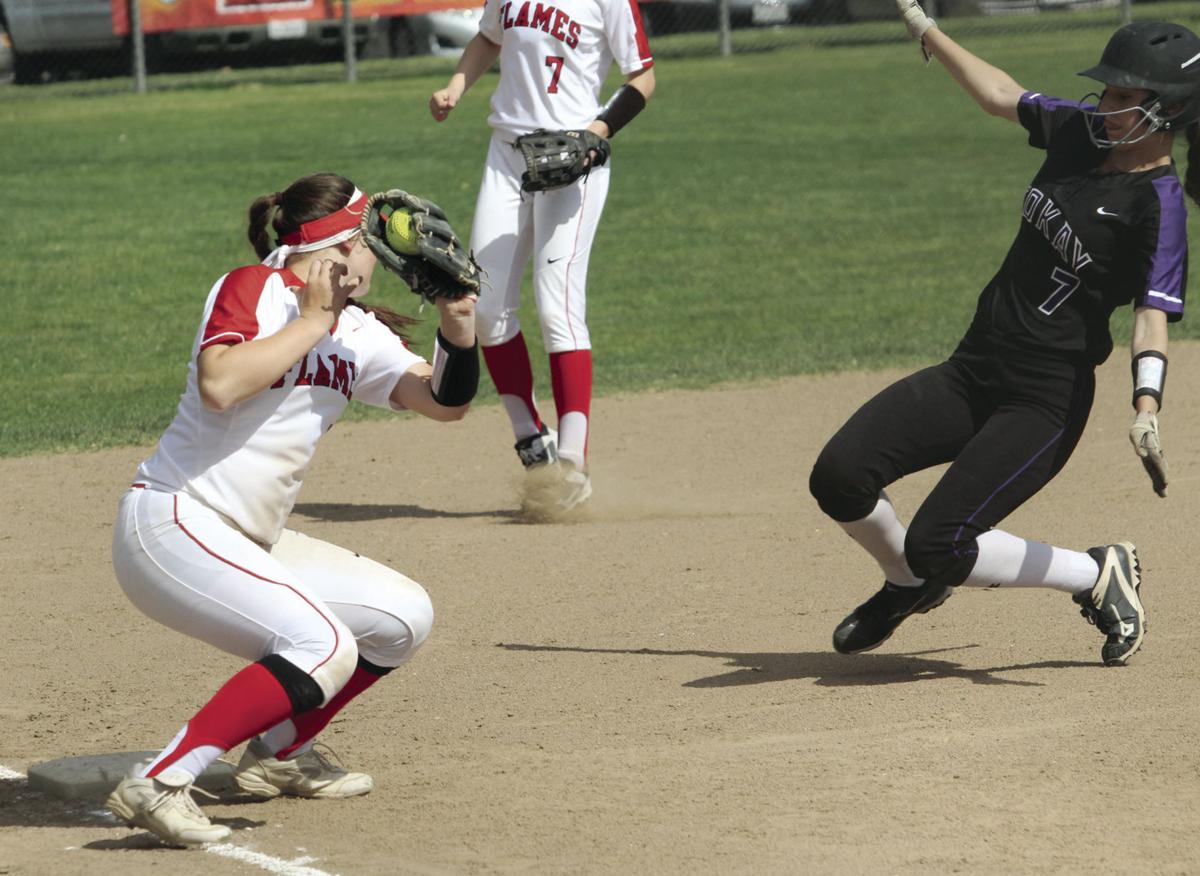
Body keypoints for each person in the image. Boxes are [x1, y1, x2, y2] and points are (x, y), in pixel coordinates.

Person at [809, 14, 1200, 666]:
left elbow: (1151, 314)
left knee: (939, 540)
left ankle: (1098, 573)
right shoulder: (1081, 134)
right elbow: (1000, 95)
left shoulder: (1156, 205)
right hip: (973, 368)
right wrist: (928, 30)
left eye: (1123, 97)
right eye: (1105, 91)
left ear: (1169, 111)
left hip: (1043, 400)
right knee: (840, 476)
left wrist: (1146, 404)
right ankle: (909, 585)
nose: (1104, 105)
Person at [105, 172, 479, 846]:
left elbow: (445, 402)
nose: (387, 262)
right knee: (323, 644)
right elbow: (220, 385)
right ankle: (161, 780)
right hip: (173, 520)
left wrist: (458, 321)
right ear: (337, 245)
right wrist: (312, 320)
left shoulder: (356, 331)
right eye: (373, 244)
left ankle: (276, 754)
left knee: (402, 618)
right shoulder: (254, 289)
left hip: (249, 539)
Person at [428, 0, 656, 514]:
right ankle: (532, 439)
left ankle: (573, 461)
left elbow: (642, 77)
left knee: (557, 309)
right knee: (484, 308)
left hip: (573, 158)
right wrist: (456, 87)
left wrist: (596, 133)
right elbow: (489, 38)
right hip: (507, 155)